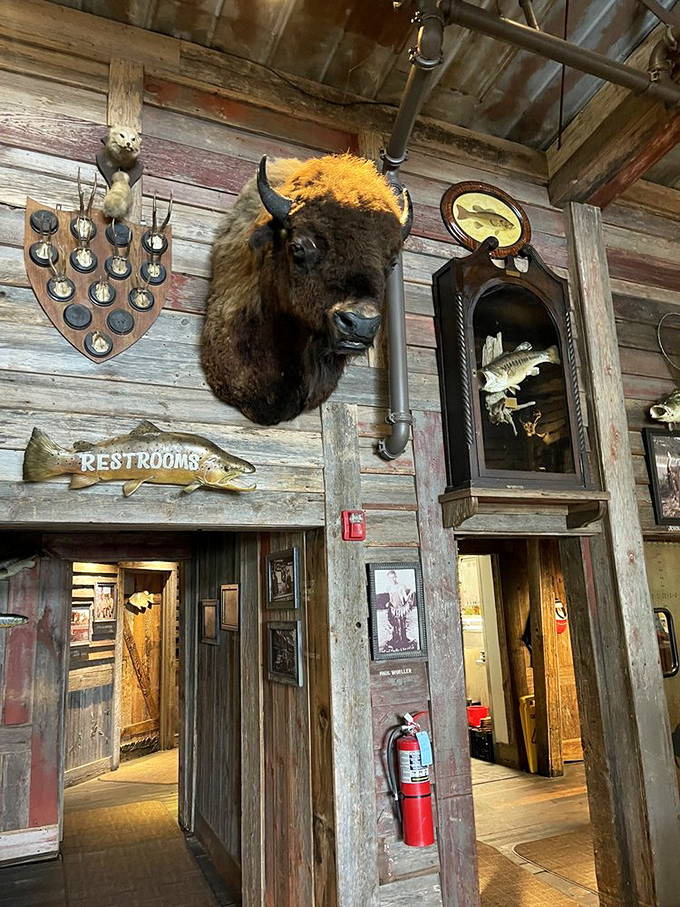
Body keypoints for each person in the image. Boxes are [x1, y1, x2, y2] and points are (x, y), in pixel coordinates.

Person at [385, 569, 415, 649]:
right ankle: (395, 640)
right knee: (394, 625)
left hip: (400, 609)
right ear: (389, 578)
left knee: (401, 625)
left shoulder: (401, 586)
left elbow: (405, 598)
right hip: (392, 609)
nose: (393, 579)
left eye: (394, 577)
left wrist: (410, 594)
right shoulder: (389, 588)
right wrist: (388, 603)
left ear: (396, 577)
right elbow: (391, 598)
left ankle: (403, 641)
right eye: (391, 578)